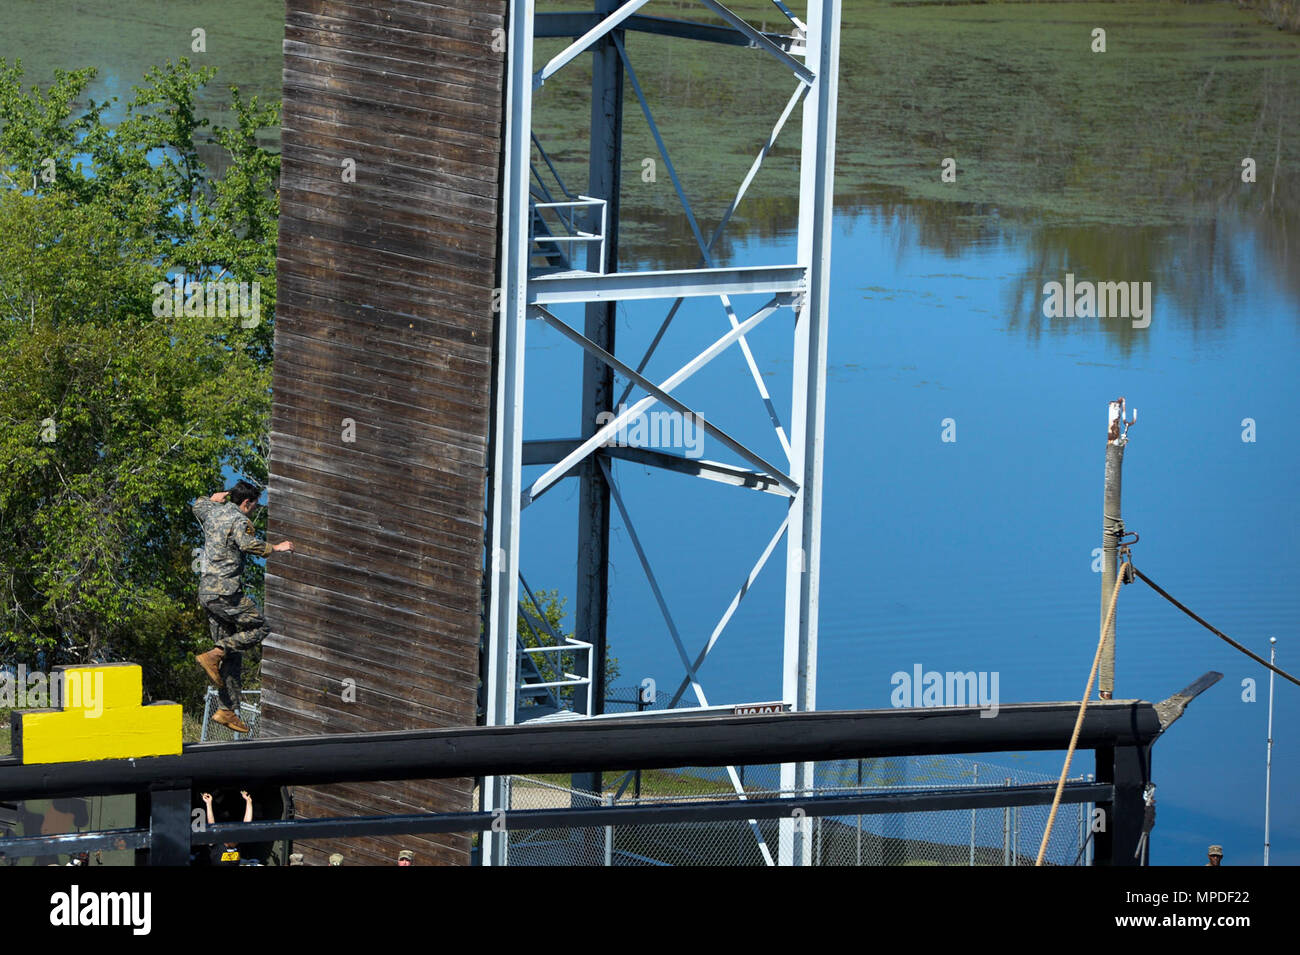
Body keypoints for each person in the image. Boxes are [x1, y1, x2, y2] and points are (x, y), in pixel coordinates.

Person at [192, 480, 294, 733]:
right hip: (227, 593)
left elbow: (198, 504)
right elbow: (248, 544)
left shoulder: (213, 511)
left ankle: (227, 710)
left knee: (233, 656)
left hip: (207, 593)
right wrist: (276, 548)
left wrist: (217, 497)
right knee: (260, 627)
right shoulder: (240, 520)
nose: (255, 511)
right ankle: (214, 654)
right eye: (255, 506)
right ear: (246, 503)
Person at [203, 790, 254, 866]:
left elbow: (247, 824)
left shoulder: (236, 843)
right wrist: (208, 803)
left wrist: (248, 801)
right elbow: (212, 825)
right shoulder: (217, 843)